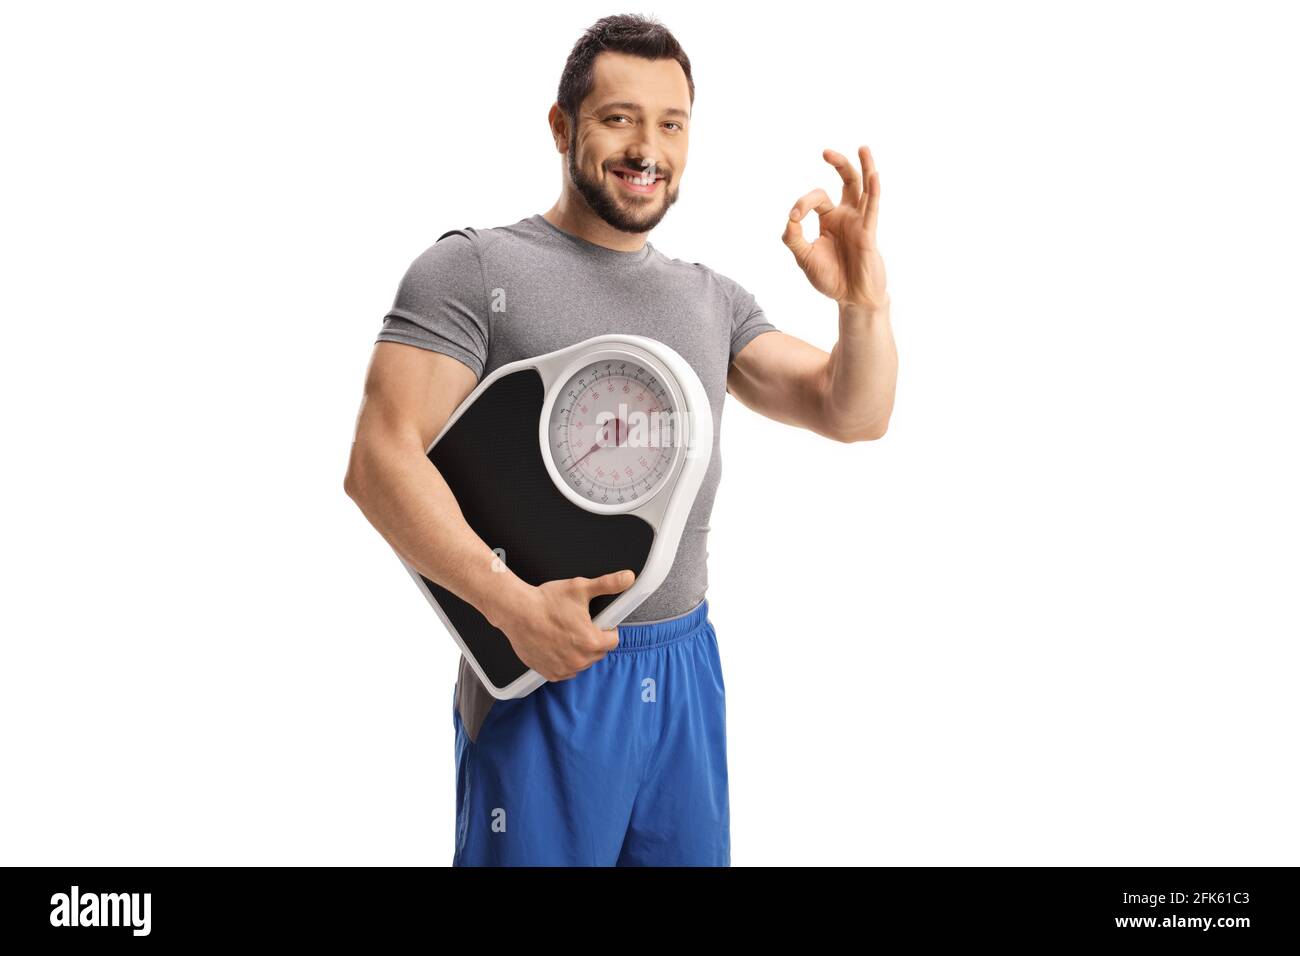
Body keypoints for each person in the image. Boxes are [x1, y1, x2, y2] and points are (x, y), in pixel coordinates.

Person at [344, 13, 897, 866]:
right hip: (542, 668)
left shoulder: (709, 299)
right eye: (619, 118)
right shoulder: (474, 270)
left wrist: (864, 301)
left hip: (684, 672)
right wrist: (510, 605)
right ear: (562, 126)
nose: (648, 148)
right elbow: (379, 461)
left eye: (671, 124)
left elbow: (850, 410)